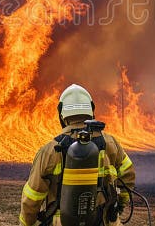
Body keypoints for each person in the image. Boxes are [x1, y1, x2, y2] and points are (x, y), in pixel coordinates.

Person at [20, 84, 135, 226]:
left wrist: (26, 224)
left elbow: (32, 197)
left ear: (62, 115)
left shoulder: (50, 150)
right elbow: (128, 175)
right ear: (91, 110)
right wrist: (118, 207)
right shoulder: (110, 143)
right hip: (105, 221)